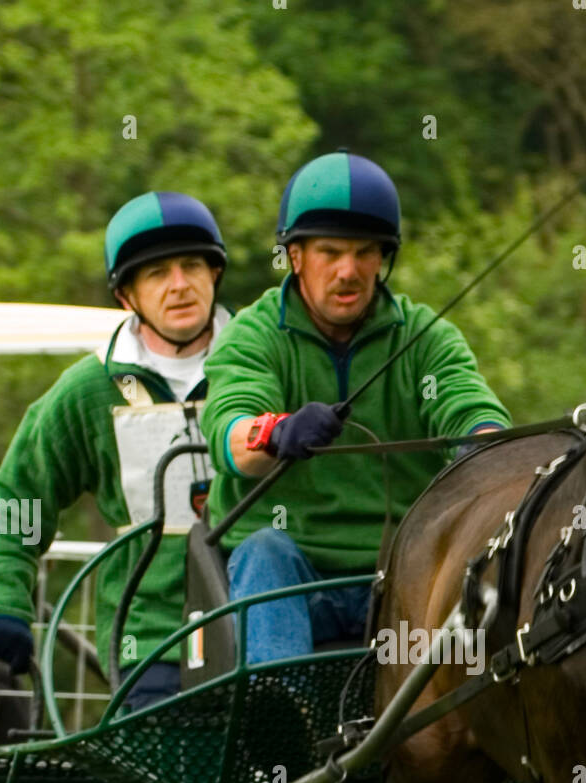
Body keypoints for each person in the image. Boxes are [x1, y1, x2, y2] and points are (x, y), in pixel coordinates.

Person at [200, 151, 509, 663]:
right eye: (330, 252)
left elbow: (470, 410)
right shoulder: (251, 336)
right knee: (264, 551)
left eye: (365, 252)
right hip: (294, 581)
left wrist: (485, 451)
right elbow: (232, 433)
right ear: (295, 256)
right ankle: (281, 723)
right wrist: (277, 433)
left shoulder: (426, 337)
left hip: (401, 581)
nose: (349, 271)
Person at [0, 192, 232, 710]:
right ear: (127, 296)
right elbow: (18, 493)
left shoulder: (263, 363)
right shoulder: (86, 389)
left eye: (191, 266)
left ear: (214, 274)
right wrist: (5, 601)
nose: (179, 285)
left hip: (265, 627)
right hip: (148, 643)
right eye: (157, 273)